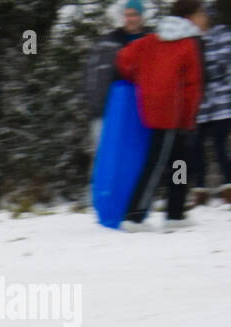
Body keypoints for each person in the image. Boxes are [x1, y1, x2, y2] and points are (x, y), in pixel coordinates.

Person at [116, 0, 208, 228]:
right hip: (173, 112)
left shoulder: (151, 39)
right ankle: (134, 216)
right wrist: (189, 117)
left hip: (156, 107)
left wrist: (142, 80)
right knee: (157, 163)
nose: (205, 18)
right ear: (191, 17)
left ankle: (175, 214)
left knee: (180, 161)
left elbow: (124, 59)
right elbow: (193, 85)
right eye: (202, 13)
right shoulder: (189, 43)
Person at [84, 0, 152, 158]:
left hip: (141, 109)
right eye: (127, 15)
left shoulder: (151, 41)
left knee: (135, 155)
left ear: (141, 17)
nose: (130, 19)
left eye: (134, 15)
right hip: (109, 108)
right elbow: (92, 74)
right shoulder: (109, 42)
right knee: (105, 155)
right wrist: (94, 103)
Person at [192, 1, 231, 202]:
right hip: (200, 103)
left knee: (219, 143)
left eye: (202, 15)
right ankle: (199, 187)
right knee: (195, 144)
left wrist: (204, 72)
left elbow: (223, 65)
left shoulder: (223, 35)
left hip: (221, 100)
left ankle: (228, 185)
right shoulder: (192, 39)